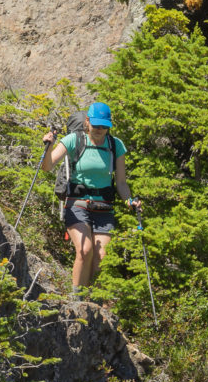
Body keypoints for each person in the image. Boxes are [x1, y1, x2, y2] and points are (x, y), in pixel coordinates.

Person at [41, 101, 140, 293]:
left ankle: (94, 300)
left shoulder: (115, 145)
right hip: (77, 204)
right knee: (85, 250)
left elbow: (121, 183)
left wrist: (130, 201)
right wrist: (49, 147)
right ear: (87, 122)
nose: (100, 130)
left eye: (104, 126)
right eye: (96, 125)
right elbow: (47, 166)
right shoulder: (72, 140)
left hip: (104, 208)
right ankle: (77, 300)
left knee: (101, 257)